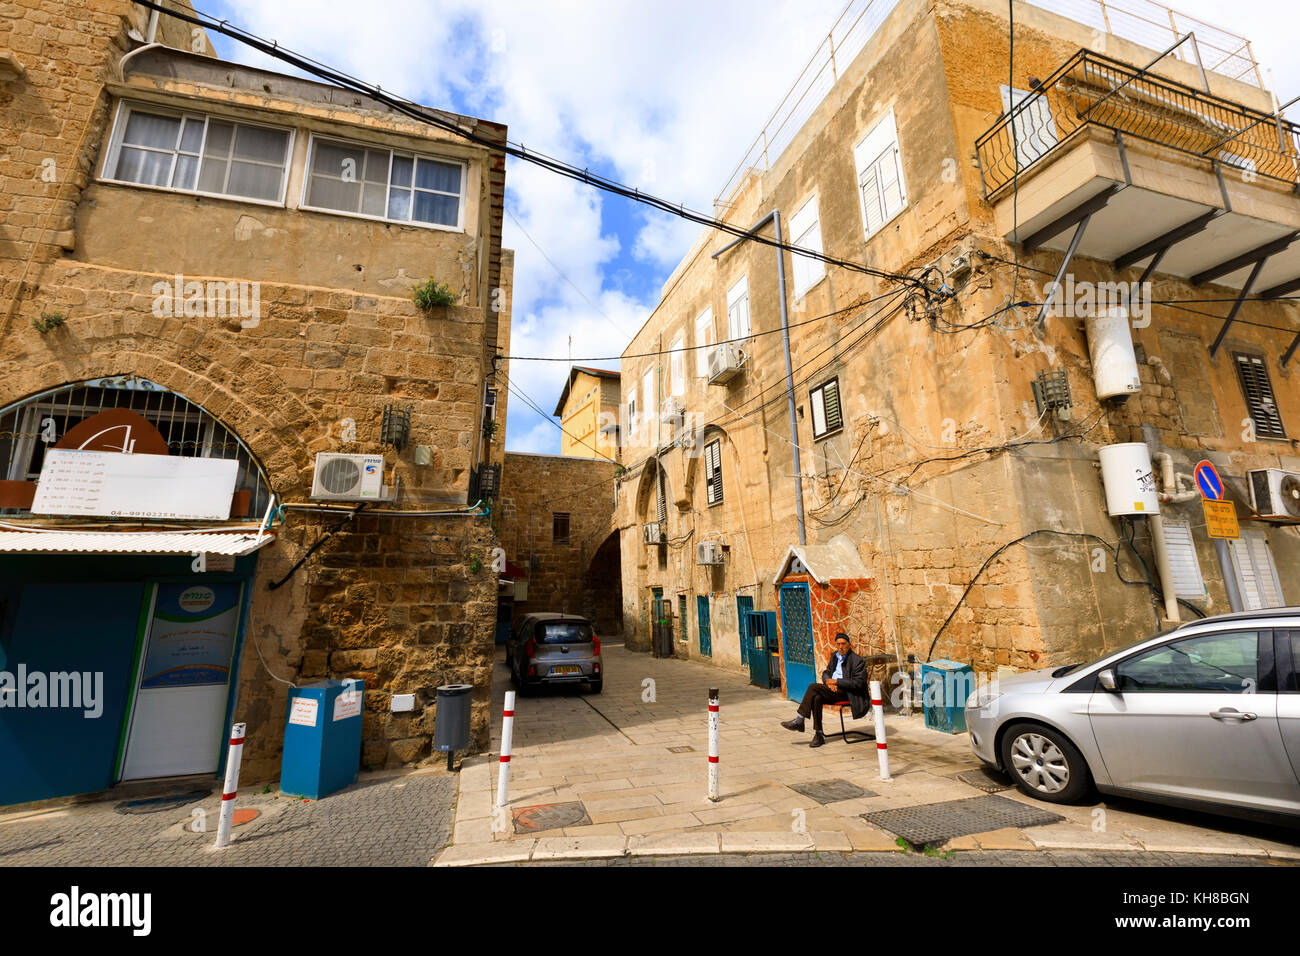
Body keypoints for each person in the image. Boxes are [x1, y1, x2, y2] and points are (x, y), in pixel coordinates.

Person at [780, 633, 870, 747]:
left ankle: (799, 719)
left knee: (813, 687)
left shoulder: (857, 660)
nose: (841, 647)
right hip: (834, 690)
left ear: (849, 645)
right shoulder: (834, 657)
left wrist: (836, 682)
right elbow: (826, 672)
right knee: (817, 698)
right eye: (838, 644)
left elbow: (858, 683)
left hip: (849, 693)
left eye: (843, 644)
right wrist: (828, 681)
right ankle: (819, 734)